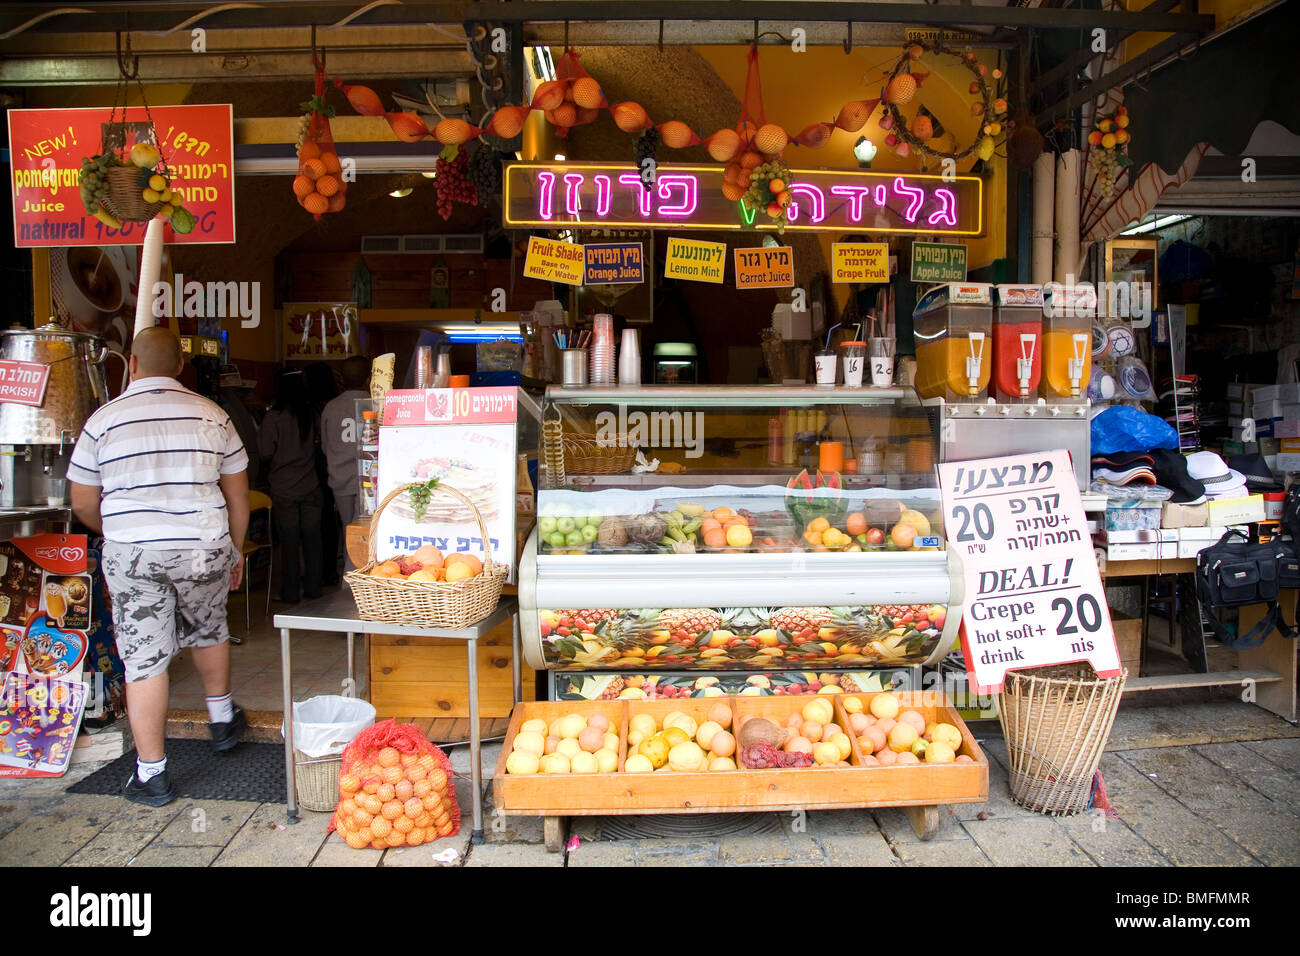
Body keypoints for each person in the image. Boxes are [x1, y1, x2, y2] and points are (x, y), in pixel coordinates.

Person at [68, 327, 249, 808]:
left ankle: (153, 775)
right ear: (182, 367)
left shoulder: (103, 420)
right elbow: (237, 495)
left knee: (143, 660)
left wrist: (119, 529)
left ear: (131, 363)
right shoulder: (213, 416)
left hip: (133, 551)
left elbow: (83, 500)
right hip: (201, 546)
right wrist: (234, 550)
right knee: (209, 628)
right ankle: (222, 720)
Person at [259, 368, 323, 604]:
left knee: (288, 542)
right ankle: (314, 589)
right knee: (312, 540)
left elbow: (265, 452)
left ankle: (290, 592)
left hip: (284, 489)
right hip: (311, 485)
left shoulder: (273, 418)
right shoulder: (311, 414)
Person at [320, 356, 370, 572]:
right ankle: (355, 580)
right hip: (369, 481)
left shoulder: (331, 407)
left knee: (346, 530)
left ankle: (348, 579)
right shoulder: (375, 402)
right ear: (369, 379)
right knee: (365, 533)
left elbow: (325, 445)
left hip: (339, 479)